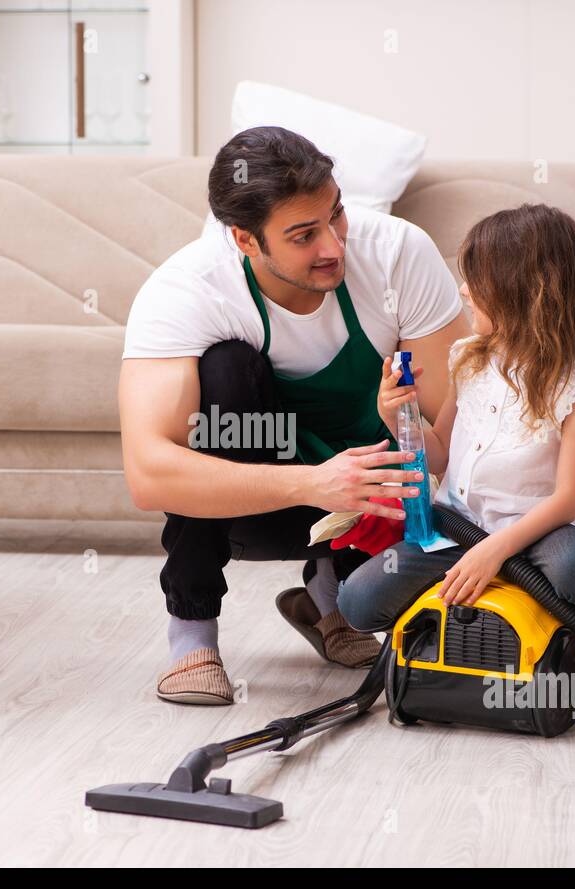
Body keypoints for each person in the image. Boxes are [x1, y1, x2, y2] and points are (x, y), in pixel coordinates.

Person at [119, 126, 463, 705]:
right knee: (226, 368)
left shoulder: (398, 253)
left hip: (369, 502)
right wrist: (319, 483)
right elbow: (149, 475)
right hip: (252, 509)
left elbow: (459, 432)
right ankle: (193, 634)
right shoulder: (189, 291)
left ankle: (331, 595)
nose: (333, 246)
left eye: (336, 216)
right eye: (304, 235)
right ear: (246, 241)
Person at [336, 203, 575, 727]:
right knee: (357, 602)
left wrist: (495, 552)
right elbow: (441, 455)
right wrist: (396, 415)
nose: (463, 289)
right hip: (458, 530)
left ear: (525, 291)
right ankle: (466, 631)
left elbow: (568, 500)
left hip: (539, 533)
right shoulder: (468, 358)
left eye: (475, 280)